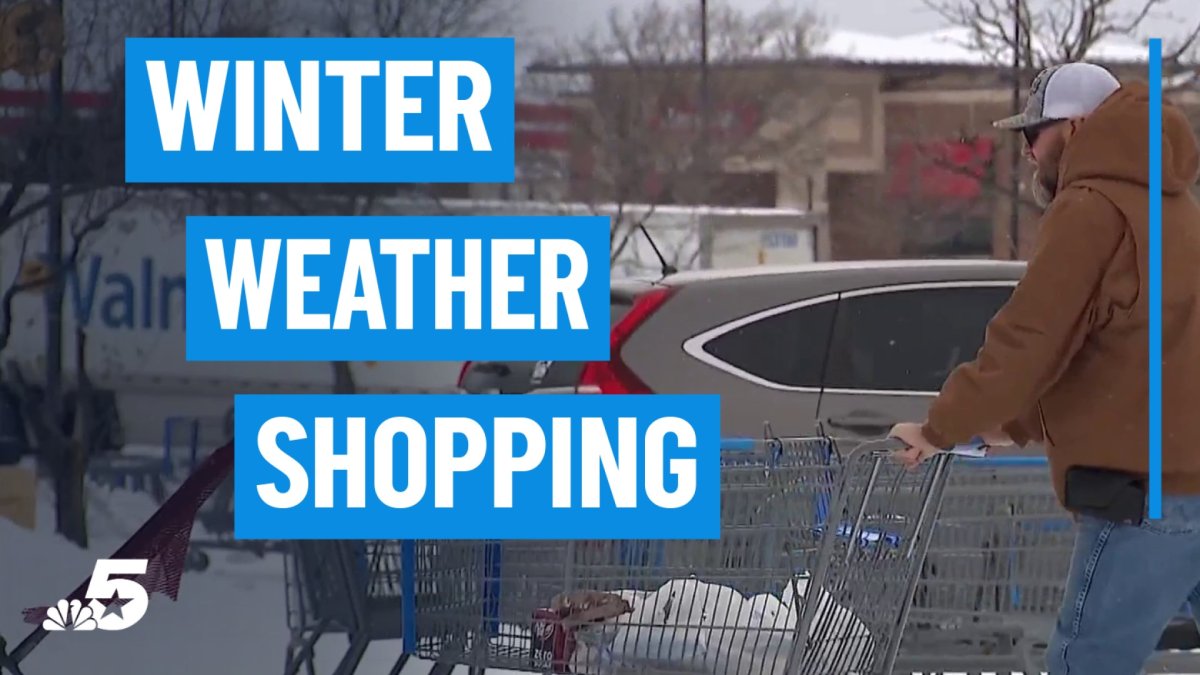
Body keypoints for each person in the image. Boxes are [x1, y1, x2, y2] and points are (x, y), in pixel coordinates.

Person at [888, 61, 1200, 675]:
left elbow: (1033, 334)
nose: (1029, 151)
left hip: (1143, 492)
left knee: (1084, 663)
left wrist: (939, 427)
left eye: (1038, 133)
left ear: (1080, 127)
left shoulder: (1091, 206)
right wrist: (1021, 420)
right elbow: (1118, 343)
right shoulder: (1181, 210)